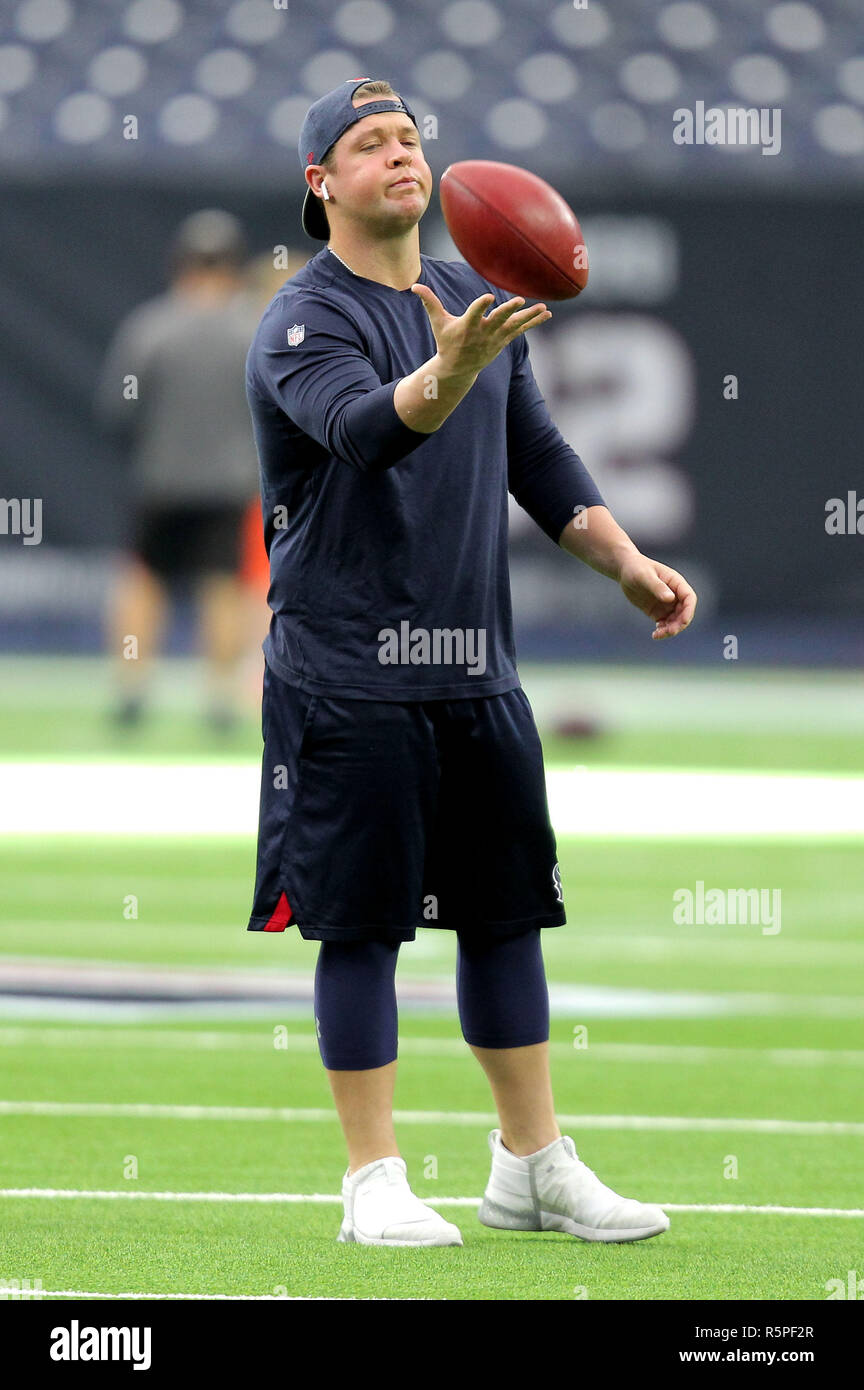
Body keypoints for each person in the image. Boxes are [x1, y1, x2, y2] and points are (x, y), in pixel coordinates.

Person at [245, 78, 697, 1247]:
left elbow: (537, 456)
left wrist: (626, 559)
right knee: (361, 926)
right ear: (321, 181)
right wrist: (443, 376)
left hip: (475, 669)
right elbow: (367, 429)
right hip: (346, 672)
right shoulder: (303, 319)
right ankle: (373, 1179)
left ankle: (532, 1166)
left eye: (410, 138)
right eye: (369, 143)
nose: (401, 155)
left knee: (506, 918)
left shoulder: (469, 293)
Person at [96, 209, 261, 730]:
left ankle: (131, 686)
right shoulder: (252, 329)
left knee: (144, 580)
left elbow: (118, 408)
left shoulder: (151, 326)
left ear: (180, 264)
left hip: (162, 481)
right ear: (233, 265)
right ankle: (218, 697)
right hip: (230, 484)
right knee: (222, 585)